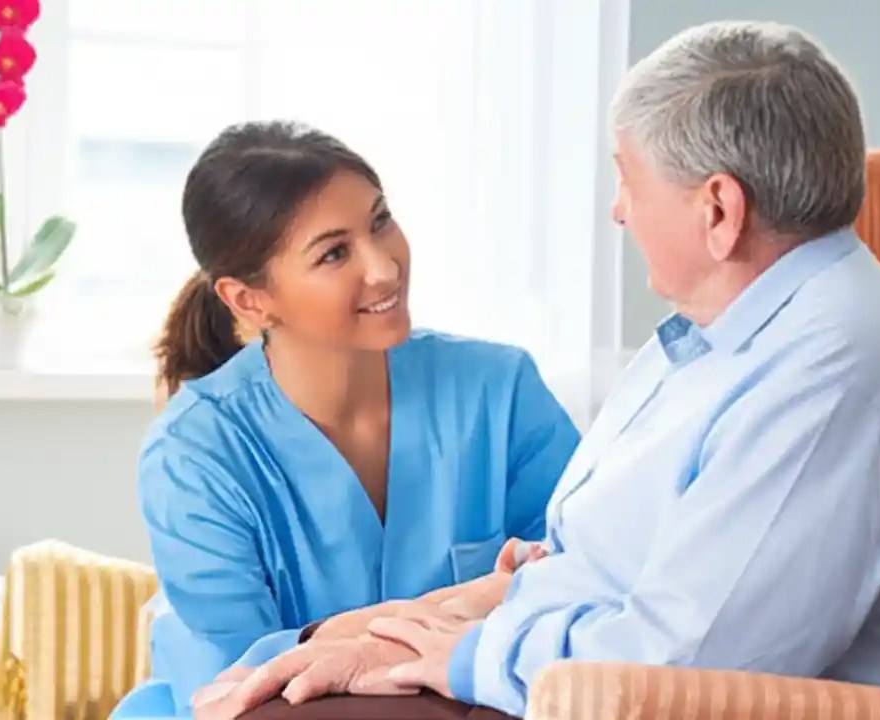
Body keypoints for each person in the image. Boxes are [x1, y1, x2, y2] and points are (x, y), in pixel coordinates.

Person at [195, 20, 880, 720]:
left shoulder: (839, 376)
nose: (619, 210)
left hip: (597, 694)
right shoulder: (718, 339)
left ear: (718, 211)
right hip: (545, 671)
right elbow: (593, 558)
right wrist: (471, 607)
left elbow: (678, 666)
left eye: (629, 179)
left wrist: (473, 650)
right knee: (268, 690)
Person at [111, 121, 582, 718]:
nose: (383, 267)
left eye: (380, 221)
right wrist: (465, 604)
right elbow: (229, 684)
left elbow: (586, 577)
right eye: (334, 252)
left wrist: (364, 631)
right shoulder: (194, 453)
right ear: (249, 300)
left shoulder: (499, 389)